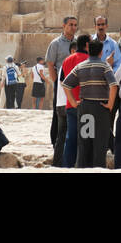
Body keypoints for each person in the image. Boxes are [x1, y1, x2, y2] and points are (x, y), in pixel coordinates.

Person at [64, 38, 118, 168]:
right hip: (100, 108)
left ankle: (82, 168)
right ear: (101, 52)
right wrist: (110, 104)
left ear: (88, 50)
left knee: (84, 143)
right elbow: (114, 85)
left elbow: (66, 84)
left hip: (84, 108)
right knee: (100, 144)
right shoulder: (105, 66)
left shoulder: (80, 66)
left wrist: (74, 102)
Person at [46, 16, 78, 165]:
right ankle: (55, 144)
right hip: (61, 85)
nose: (73, 27)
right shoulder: (56, 44)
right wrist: (55, 82)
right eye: (70, 24)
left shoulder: (78, 43)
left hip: (75, 86)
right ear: (63, 26)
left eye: (75, 25)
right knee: (57, 115)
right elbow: (51, 64)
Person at [59, 34, 91, 167]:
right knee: (86, 138)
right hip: (86, 105)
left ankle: (67, 167)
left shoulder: (67, 60)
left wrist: (71, 98)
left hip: (71, 104)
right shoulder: (90, 60)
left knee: (70, 138)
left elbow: (62, 81)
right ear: (87, 45)